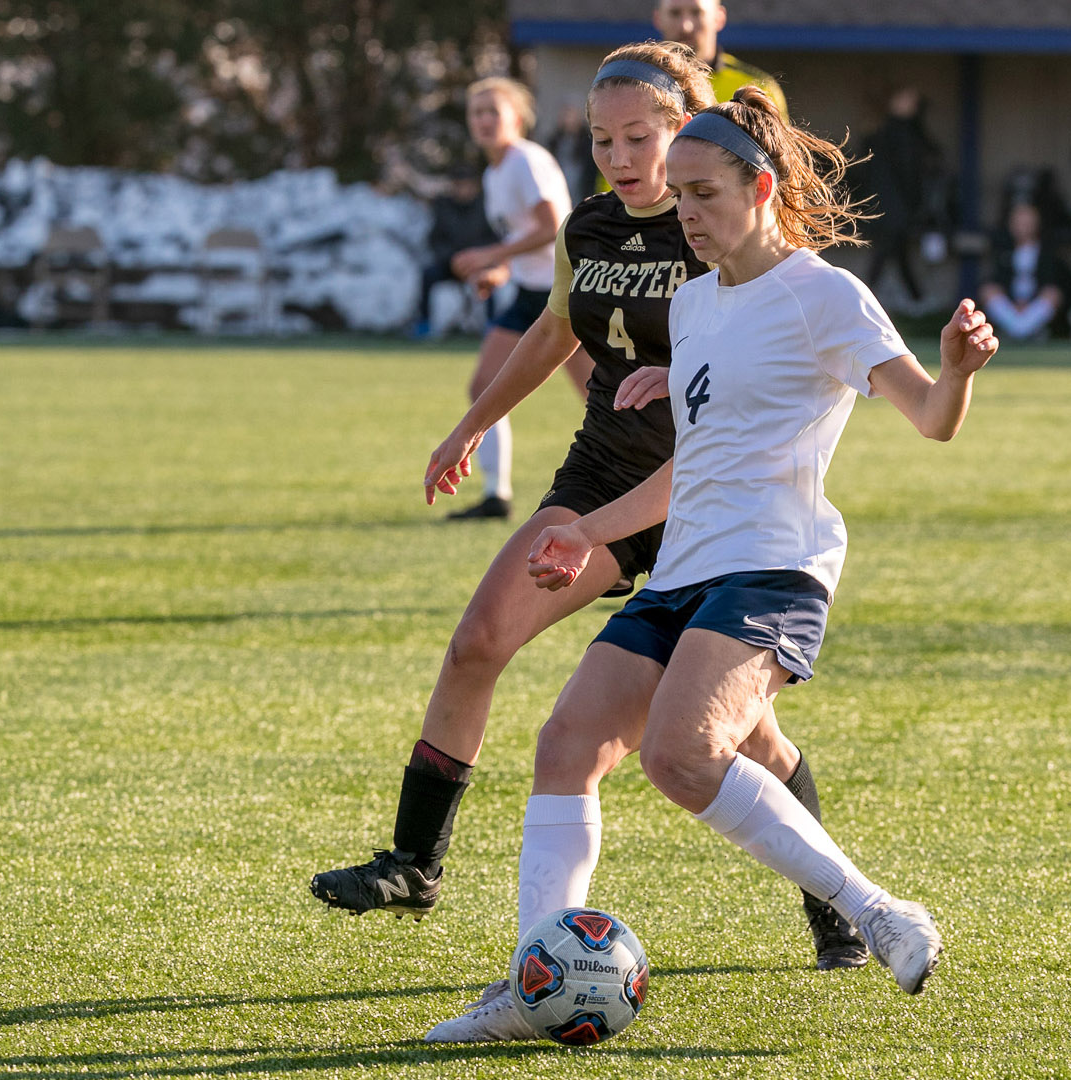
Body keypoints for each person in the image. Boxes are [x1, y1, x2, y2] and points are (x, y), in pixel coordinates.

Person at [423, 86, 998, 1043]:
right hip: (688, 566)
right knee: (565, 746)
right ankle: (535, 985)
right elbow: (696, 467)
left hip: (775, 567)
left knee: (681, 754)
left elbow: (932, 420)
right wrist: (591, 533)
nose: (683, 214)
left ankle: (879, 910)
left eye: (702, 194)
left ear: (760, 187)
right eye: (678, 197)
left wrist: (960, 371)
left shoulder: (826, 295)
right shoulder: (691, 306)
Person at [310, 43, 868, 972]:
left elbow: (787, 348)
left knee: (747, 737)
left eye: (637, 136)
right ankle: (415, 862)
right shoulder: (592, 228)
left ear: (690, 127)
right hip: (602, 481)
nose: (616, 155)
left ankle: (837, 904)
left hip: (710, 501)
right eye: (601, 138)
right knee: (479, 639)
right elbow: (552, 330)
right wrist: (471, 427)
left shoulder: (729, 234)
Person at [444, 77, 591, 521]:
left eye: (494, 111)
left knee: (603, 398)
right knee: (484, 386)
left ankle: (652, 490)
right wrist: (500, 270)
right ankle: (496, 495)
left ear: (517, 117)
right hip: (532, 293)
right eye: (477, 112)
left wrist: (491, 254)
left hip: (564, 293)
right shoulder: (495, 171)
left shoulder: (527, 159)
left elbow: (553, 228)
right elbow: (525, 238)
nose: (485, 120)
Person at [860, 87, 940, 308]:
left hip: (902, 206)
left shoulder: (913, 131)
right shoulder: (886, 132)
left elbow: (928, 160)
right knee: (886, 252)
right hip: (889, 205)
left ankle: (916, 299)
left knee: (897, 253)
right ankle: (864, 299)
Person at [652, 0, 787, 117]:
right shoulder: (641, 85)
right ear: (658, 19)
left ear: (718, 17)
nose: (686, 26)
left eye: (696, 12)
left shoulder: (759, 88)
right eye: (675, 13)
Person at [413, 169, 497, 339]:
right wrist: (452, 259)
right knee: (427, 276)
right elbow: (435, 239)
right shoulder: (443, 207)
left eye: (467, 186)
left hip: (478, 263)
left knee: (489, 280)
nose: (463, 190)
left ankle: (492, 326)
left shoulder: (486, 206)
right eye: (459, 186)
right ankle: (424, 324)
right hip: (449, 263)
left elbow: (492, 238)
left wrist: (476, 258)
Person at [980, 202, 1071, 342]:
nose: (1022, 227)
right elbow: (997, 279)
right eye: (1018, 223)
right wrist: (1013, 301)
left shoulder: (1047, 251)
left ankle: (1022, 331)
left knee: (1053, 294)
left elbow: (1052, 281)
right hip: (1011, 303)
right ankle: (1018, 330)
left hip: (1034, 301)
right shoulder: (1003, 249)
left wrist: (1029, 302)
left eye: (1027, 223)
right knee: (988, 291)